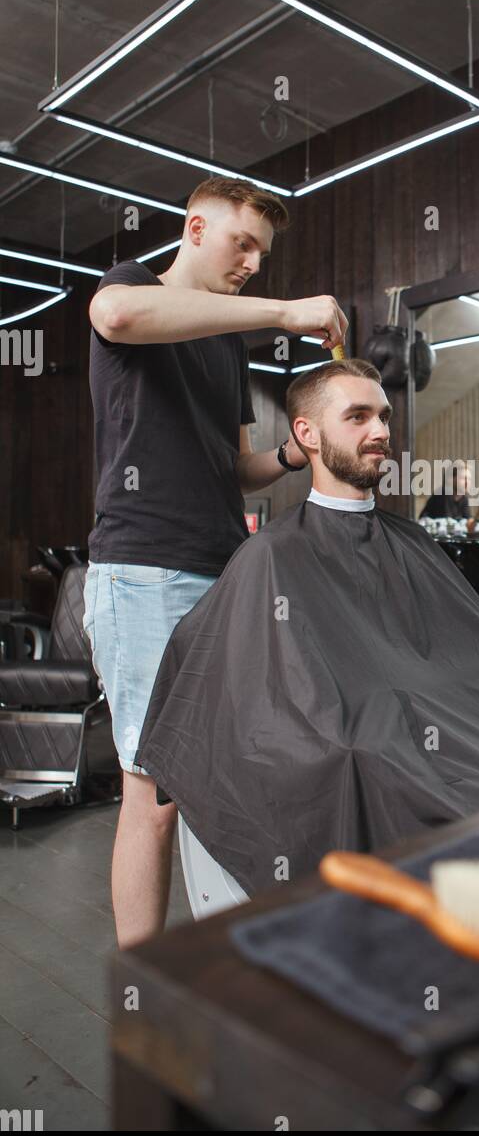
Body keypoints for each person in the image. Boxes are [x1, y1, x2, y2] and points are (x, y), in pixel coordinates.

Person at [134, 360, 479, 895]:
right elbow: (230, 683)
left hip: (459, 727)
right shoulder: (271, 555)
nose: (381, 432)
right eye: (358, 416)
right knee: (371, 758)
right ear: (308, 434)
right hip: (370, 748)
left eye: (384, 417)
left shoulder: (413, 543)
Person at [82, 176, 348, 948]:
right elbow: (121, 317)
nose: (254, 264)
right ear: (195, 228)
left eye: (264, 255)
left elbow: (237, 468)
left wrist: (293, 453)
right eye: (244, 244)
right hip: (143, 569)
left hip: (220, 570)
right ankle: (145, 979)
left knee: (224, 776)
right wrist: (285, 313)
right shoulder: (133, 287)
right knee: (154, 790)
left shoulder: (225, 344)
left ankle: (221, 966)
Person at [420, 459, 479, 533]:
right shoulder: (443, 494)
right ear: (450, 479)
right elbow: (448, 528)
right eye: (463, 478)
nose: (467, 482)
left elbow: (470, 527)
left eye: (469, 479)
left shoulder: (463, 498)